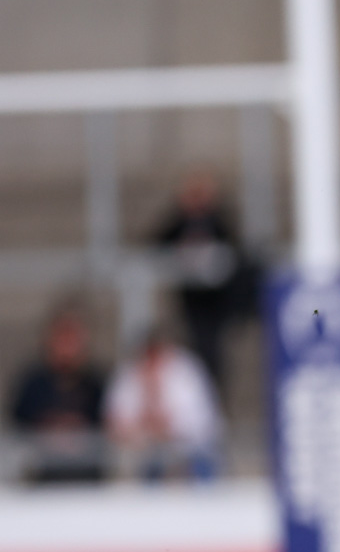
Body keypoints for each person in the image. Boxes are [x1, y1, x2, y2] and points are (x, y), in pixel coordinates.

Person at [152, 169, 257, 398]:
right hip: (192, 302)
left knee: (213, 354)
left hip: (216, 303)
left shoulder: (218, 222)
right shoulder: (179, 223)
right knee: (195, 351)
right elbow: (155, 243)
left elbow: (235, 248)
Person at [8, 301, 108, 484]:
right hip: (40, 477)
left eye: (73, 339)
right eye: (62, 338)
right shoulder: (32, 383)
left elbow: (107, 425)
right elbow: (18, 424)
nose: (67, 346)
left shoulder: (95, 384)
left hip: (87, 480)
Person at [105, 328, 221, 482]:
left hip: (188, 458)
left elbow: (203, 424)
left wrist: (167, 426)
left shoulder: (187, 372)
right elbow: (115, 423)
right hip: (143, 460)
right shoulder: (129, 374)